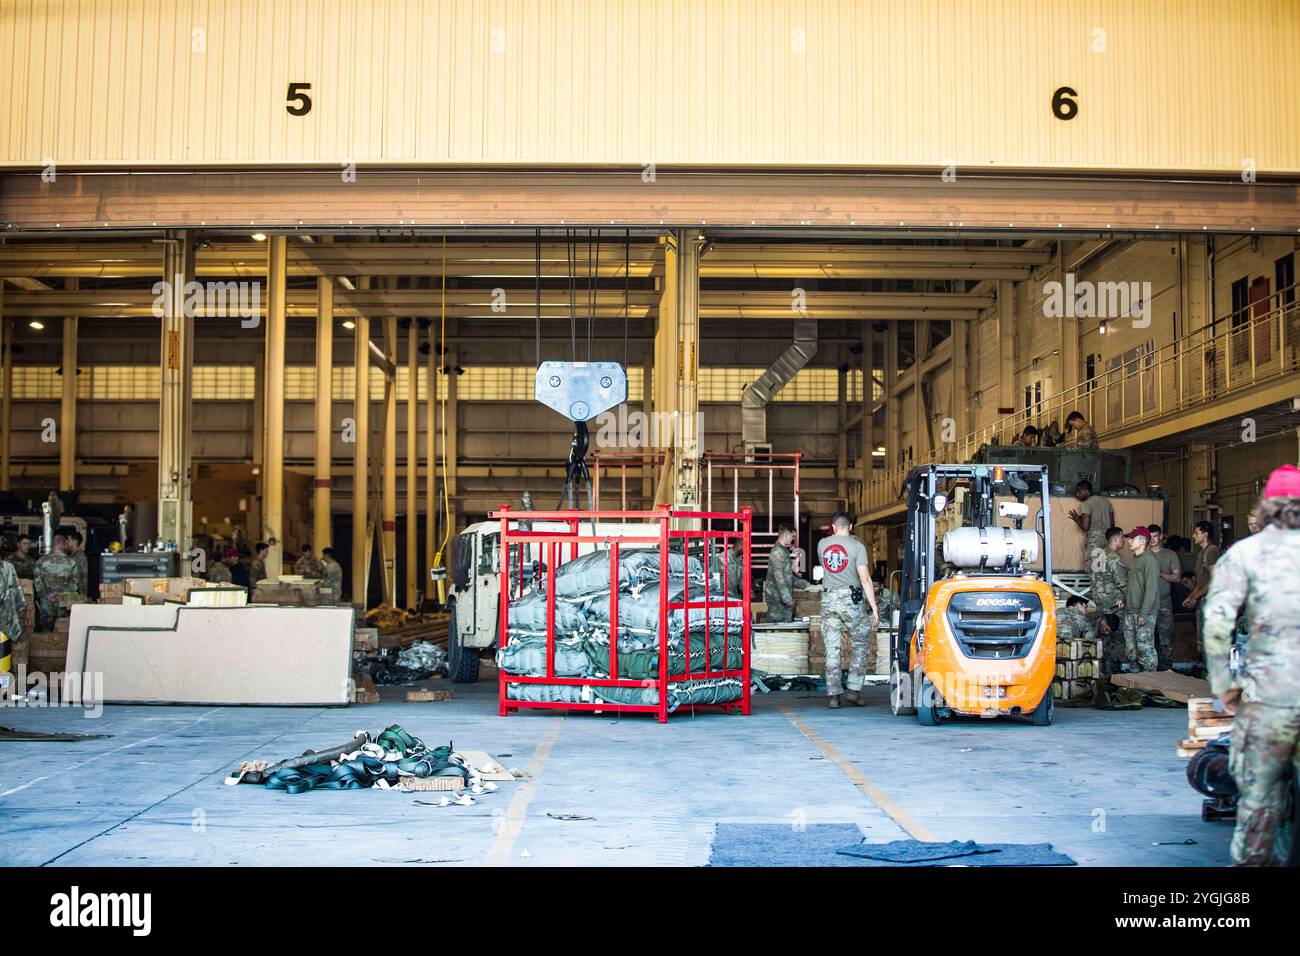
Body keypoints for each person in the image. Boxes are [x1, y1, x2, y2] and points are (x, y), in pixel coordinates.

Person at [1201, 464, 1300, 866]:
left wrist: (1224, 684)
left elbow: (1217, 622)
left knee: (1259, 805)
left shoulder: (1245, 554)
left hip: (1268, 703)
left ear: (1267, 507)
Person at [815, 512, 879, 708]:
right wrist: (874, 609)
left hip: (828, 600)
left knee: (832, 648)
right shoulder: (857, 546)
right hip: (851, 600)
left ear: (833, 526)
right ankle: (854, 690)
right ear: (850, 526)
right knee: (860, 643)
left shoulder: (822, 545)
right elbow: (865, 579)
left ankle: (833, 695)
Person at [1121, 526, 1160, 672]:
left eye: (1132, 538)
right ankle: (1136, 687)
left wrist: (1144, 614)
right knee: (1131, 651)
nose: (1129, 541)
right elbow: (1131, 584)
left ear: (1142, 541)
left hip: (1144, 613)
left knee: (1145, 651)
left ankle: (1150, 686)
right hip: (1130, 611)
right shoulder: (1134, 560)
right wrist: (1124, 600)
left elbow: (1151, 589)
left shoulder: (1150, 561)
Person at [1184, 520, 1221, 656]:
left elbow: (1215, 579)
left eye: (1196, 533)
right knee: (1202, 639)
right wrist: (1192, 595)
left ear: (1205, 535)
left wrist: (1195, 596)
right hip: (1203, 600)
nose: (1193, 536)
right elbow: (1201, 581)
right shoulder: (1202, 553)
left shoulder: (1211, 552)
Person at [1148, 524, 1182, 670]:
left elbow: (1177, 577)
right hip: (1147, 604)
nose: (1152, 539)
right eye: (1149, 537)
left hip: (1164, 602)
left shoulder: (1170, 555)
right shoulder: (1142, 554)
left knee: (1165, 640)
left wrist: (1161, 574)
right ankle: (1149, 672)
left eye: (1155, 536)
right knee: (1147, 640)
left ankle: (1166, 670)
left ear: (1161, 537)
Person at [762, 523, 807, 623]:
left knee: (785, 626)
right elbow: (779, 577)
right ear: (787, 535)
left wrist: (803, 584)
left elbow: (788, 575)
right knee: (776, 626)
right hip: (776, 597)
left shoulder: (783, 551)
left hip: (781, 596)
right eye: (792, 536)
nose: (792, 539)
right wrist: (787, 599)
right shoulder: (778, 552)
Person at [34, 531, 78, 632]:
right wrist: (64, 594)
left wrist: (45, 594)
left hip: (46, 601)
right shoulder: (71, 562)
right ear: (64, 544)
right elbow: (75, 581)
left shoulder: (41, 561)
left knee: (46, 630)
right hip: (64, 601)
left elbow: (37, 580)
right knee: (64, 629)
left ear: (53, 544)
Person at [1069, 480, 1114, 560]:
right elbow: (1112, 525)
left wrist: (1077, 520)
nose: (1077, 494)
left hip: (1095, 541)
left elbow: (1085, 527)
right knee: (1105, 566)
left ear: (1087, 490)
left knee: (1095, 567)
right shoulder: (1107, 502)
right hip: (1108, 540)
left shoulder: (1086, 504)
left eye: (1079, 491)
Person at [1089, 526, 1127, 615]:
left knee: (1103, 626)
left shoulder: (1098, 554)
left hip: (1098, 600)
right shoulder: (1115, 557)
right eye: (1122, 537)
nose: (1124, 540)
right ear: (1116, 540)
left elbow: (1093, 577)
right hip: (1113, 603)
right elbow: (1122, 583)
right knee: (1115, 626)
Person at [0, 555, 27, 645]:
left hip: (5, 622)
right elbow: (19, 601)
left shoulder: (7, 567)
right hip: (5, 623)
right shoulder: (7, 567)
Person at [64, 529, 88, 597]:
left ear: (75, 541)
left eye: (68, 540)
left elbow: (75, 578)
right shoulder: (73, 555)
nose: (66, 542)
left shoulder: (79, 557)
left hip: (78, 594)